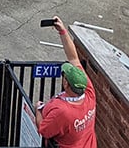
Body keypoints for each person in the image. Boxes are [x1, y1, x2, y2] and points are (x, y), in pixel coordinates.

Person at [36, 16, 96, 147]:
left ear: (66, 83)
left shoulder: (63, 112)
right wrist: (62, 31)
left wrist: (38, 110)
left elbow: (44, 131)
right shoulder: (88, 92)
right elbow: (73, 58)